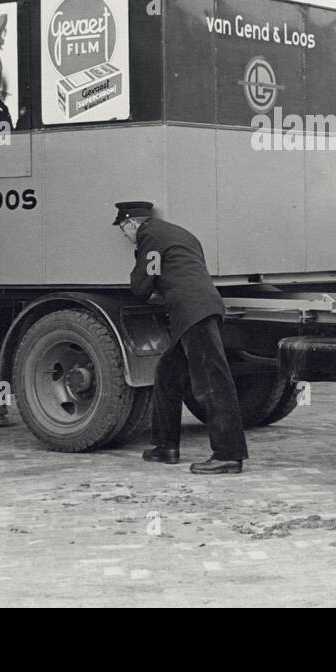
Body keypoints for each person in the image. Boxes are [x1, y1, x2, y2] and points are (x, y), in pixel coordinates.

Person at [113, 201, 248, 475]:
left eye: (124, 231)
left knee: (211, 382)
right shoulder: (179, 233)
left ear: (131, 223)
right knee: (167, 375)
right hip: (202, 307)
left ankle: (228, 455)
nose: (125, 237)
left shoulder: (148, 237)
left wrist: (140, 266)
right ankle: (166, 447)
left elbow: (141, 285)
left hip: (191, 313)